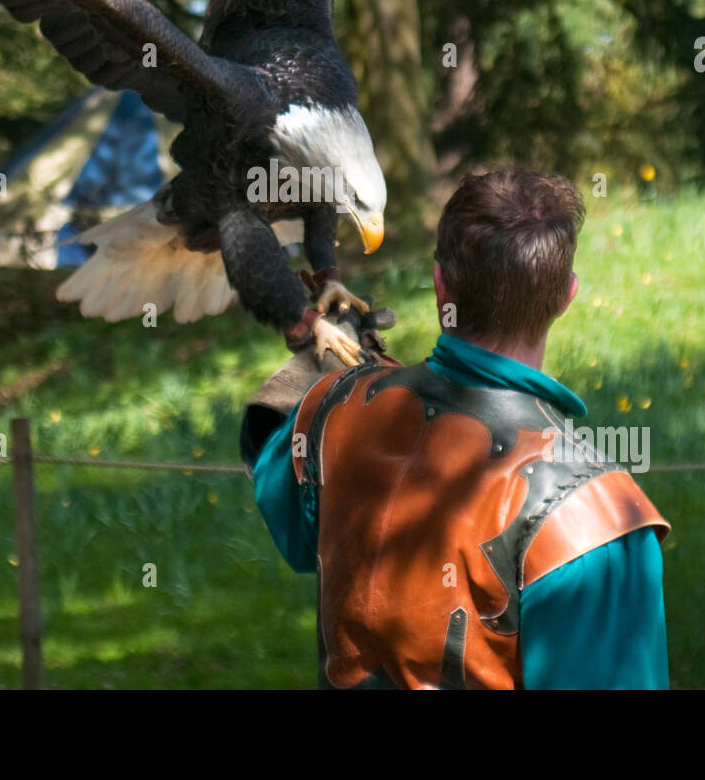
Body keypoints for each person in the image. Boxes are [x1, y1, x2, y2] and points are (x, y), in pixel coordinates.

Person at [239, 166, 670, 689]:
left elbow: (274, 468)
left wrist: (331, 365)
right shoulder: (593, 518)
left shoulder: (334, 416)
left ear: (440, 283)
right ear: (565, 296)